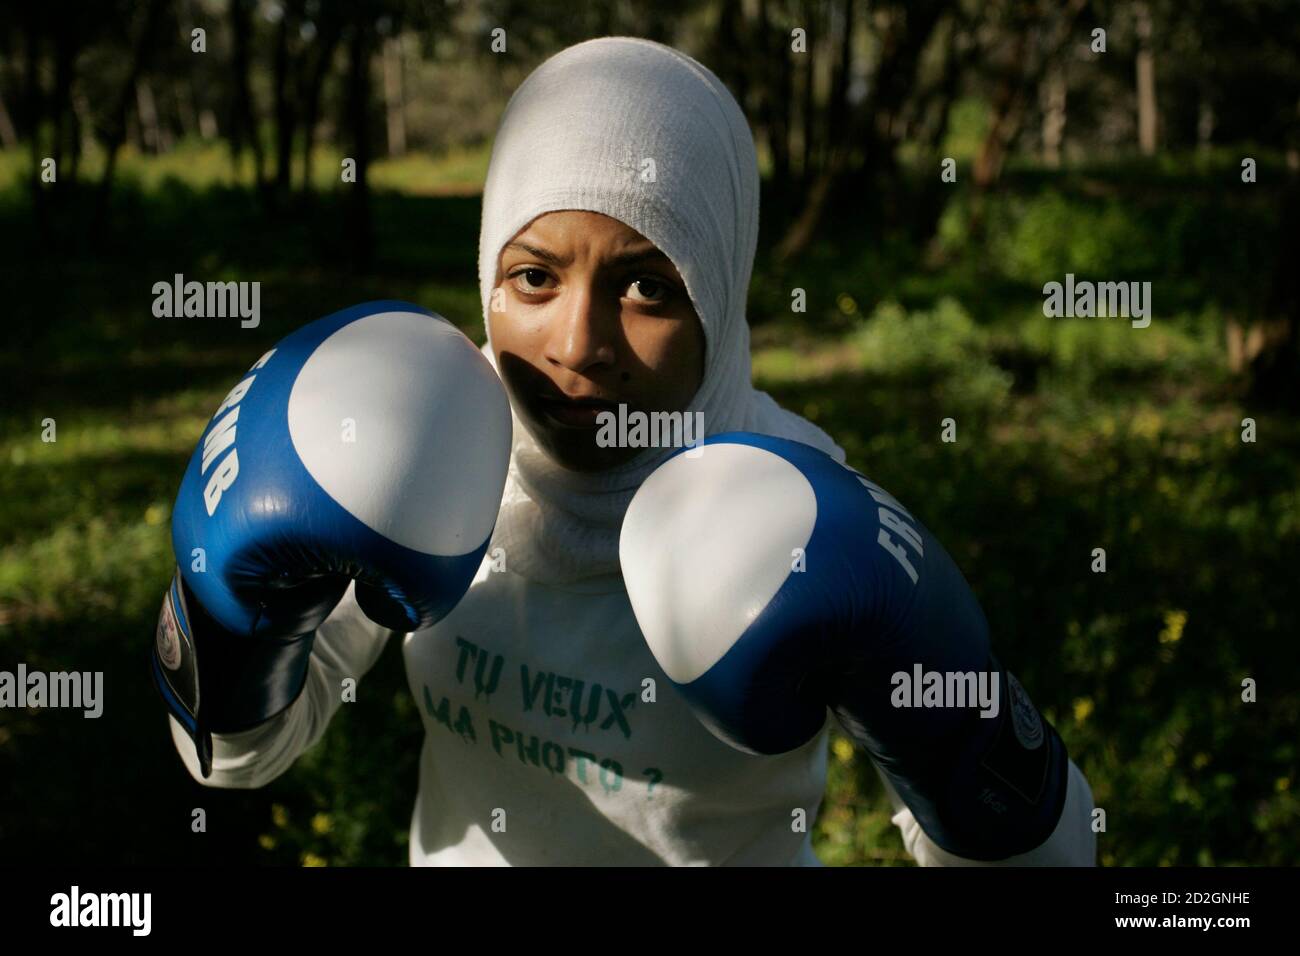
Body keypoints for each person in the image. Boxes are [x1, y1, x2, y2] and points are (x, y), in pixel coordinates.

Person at [158, 36, 1095, 866]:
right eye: (533, 277)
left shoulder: (798, 504)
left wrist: (961, 751)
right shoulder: (422, 447)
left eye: (649, 286)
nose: (579, 346)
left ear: (719, 295)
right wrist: (228, 613)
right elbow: (237, 759)